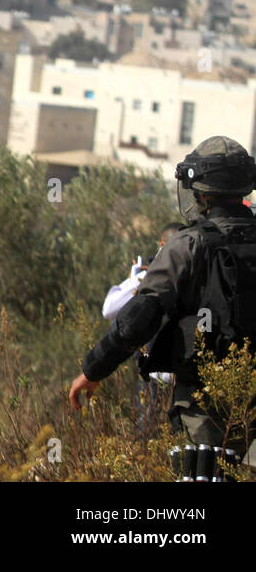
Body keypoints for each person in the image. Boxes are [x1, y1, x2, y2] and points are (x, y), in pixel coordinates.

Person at [70, 136, 256, 465]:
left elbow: (140, 316)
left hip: (204, 403)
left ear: (201, 193)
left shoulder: (189, 244)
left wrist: (94, 369)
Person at [100, 222, 185, 429]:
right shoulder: (200, 272)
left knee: (148, 437)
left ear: (162, 245)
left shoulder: (149, 277)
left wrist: (134, 280)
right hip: (188, 378)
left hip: (157, 379)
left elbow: (109, 309)